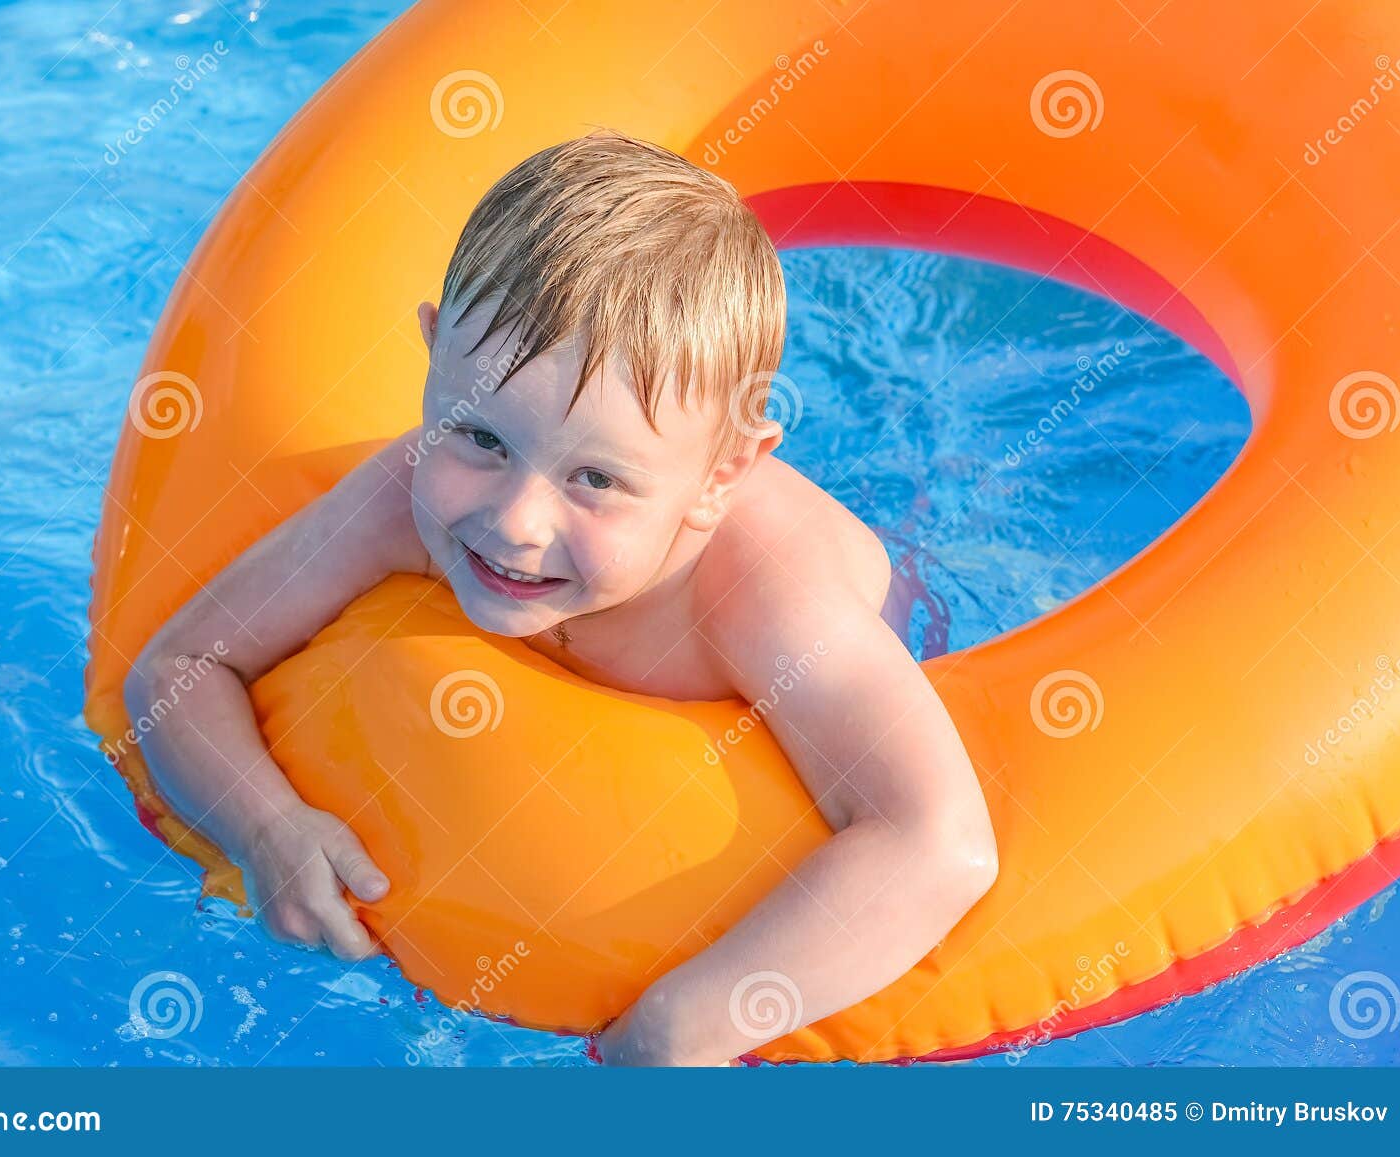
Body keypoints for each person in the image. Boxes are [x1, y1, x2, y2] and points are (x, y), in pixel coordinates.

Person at [126, 129, 997, 1066]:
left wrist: (680, 1025)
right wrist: (265, 826)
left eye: (595, 479)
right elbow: (183, 665)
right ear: (429, 357)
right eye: (483, 439)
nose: (515, 523)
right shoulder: (401, 501)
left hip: (907, 594)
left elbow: (936, 841)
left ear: (722, 475)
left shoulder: (760, 601)